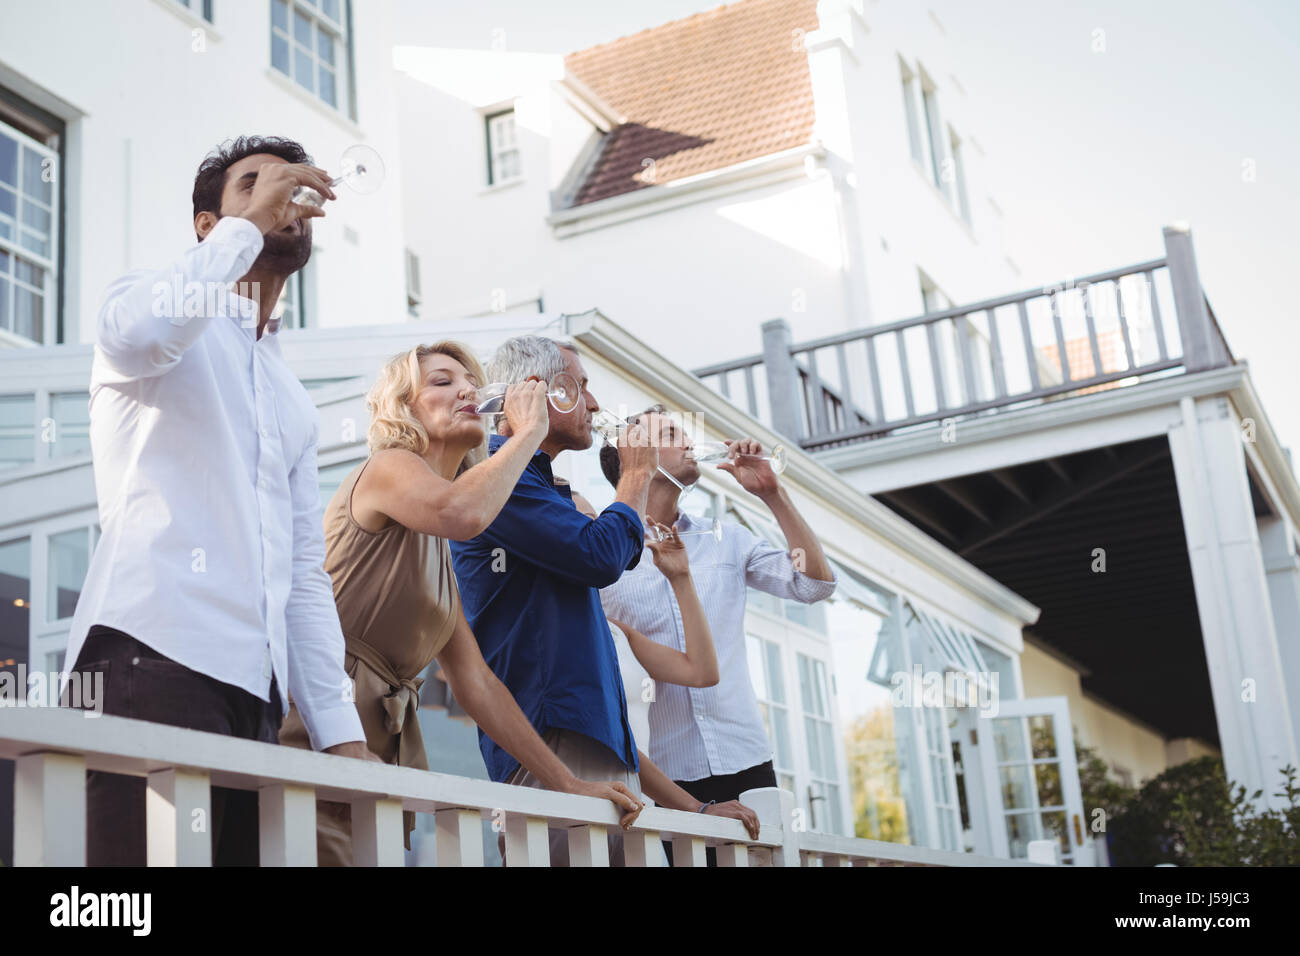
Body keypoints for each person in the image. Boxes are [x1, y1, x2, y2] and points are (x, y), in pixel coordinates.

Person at [62, 136, 372, 866]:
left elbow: (303, 572)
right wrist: (249, 225)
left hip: (254, 696)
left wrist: (341, 732)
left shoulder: (294, 400)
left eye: (290, 187)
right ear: (209, 225)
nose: (280, 196)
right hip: (148, 658)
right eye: (253, 184)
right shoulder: (149, 307)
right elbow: (145, 333)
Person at [277, 342, 643, 864]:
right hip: (317, 728)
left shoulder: (441, 549)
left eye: (469, 381)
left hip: (378, 745)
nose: (467, 389)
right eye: (442, 382)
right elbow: (460, 510)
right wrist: (529, 434)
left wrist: (567, 783)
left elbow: (478, 685)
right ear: (402, 408)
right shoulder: (388, 469)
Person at [450, 336, 758, 865]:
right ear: (537, 391)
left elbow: (603, 715)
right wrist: (636, 475)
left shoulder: (544, 488)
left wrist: (694, 808)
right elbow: (600, 556)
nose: (593, 404)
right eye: (582, 387)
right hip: (547, 756)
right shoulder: (498, 473)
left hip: (589, 759)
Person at [598, 405, 838, 864]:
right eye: (671, 434)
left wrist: (773, 494)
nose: (689, 442)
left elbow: (815, 584)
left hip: (748, 764)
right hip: (664, 779)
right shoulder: (602, 557)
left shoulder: (726, 538)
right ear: (632, 455)